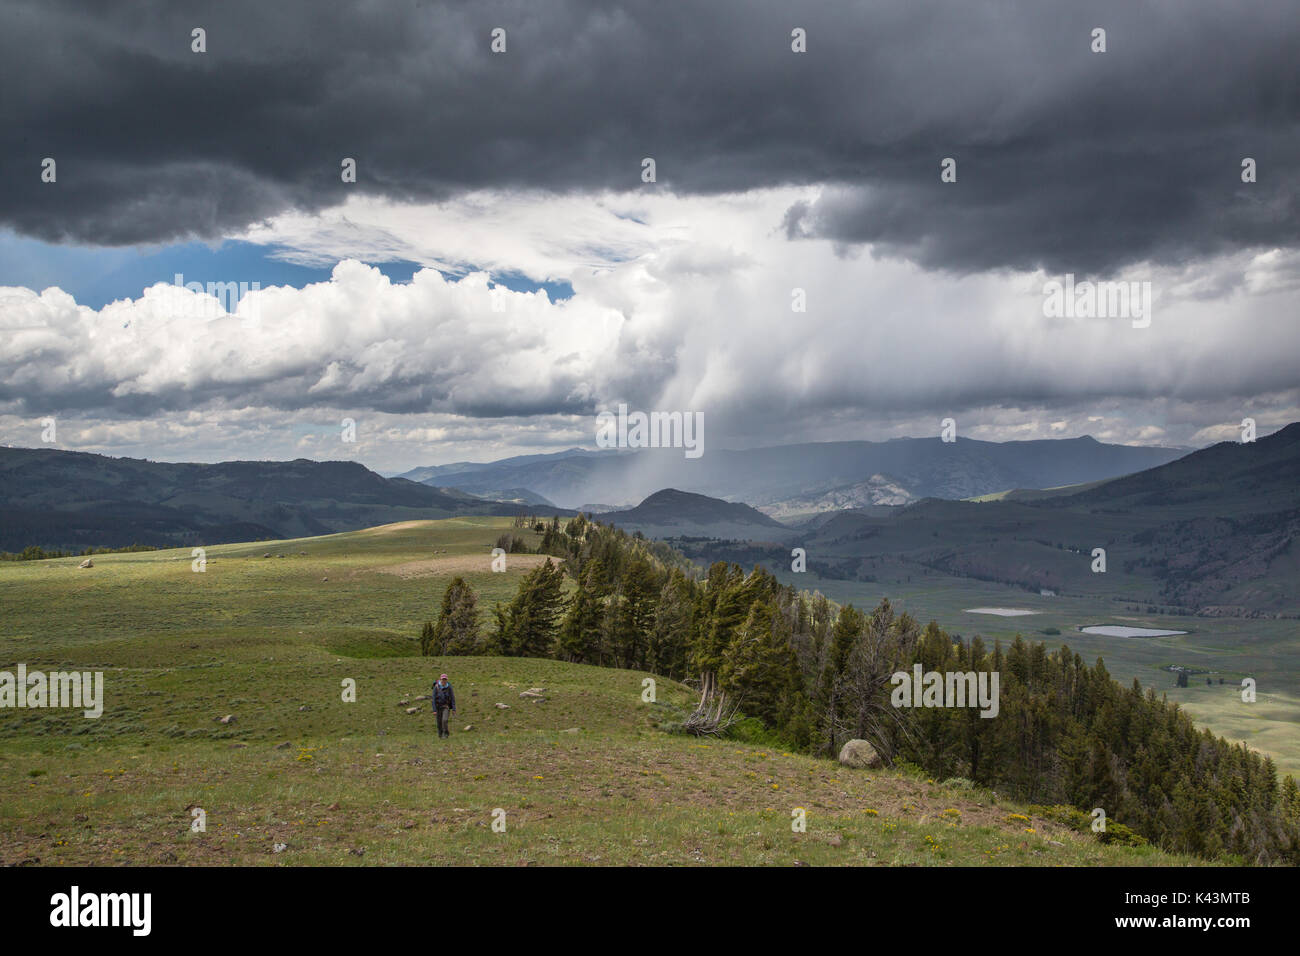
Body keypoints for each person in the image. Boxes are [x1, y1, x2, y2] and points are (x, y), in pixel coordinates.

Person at [432, 672, 456, 739]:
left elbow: (452, 698)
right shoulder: (436, 687)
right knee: (439, 723)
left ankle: (446, 733)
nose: (444, 681)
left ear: (447, 680)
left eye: (445, 679)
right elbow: (433, 699)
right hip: (438, 707)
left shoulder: (449, 687)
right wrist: (434, 710)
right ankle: (440, 735)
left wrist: (454, 709)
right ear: (440, 679)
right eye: (443, 679)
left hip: (446, 707)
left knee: (444, 720)